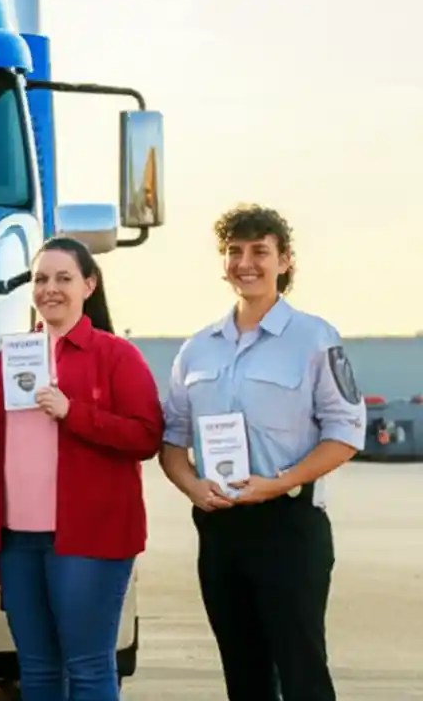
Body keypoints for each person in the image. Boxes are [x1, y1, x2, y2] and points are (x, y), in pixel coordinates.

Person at [158, 204, 365, 701]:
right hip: (221, 527)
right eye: (234, 252)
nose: (245, 263)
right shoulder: (197, 349)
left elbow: (346, 432)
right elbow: (172, 441)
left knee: (302, 671)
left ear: (285, 261)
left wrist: (277, 481)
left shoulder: (316, 338)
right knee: (243, 673)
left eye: (260, 251)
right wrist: (194, 488)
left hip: (288, 524)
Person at [0, 236, 163, 701]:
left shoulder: (115, 355)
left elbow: (146, 436)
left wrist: (74, 413)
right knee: (37, 671)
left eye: (64, 278)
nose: (50, 288)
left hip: (88, 539)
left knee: (89, 667)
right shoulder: (10, 360)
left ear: (89, 285)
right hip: (17, 541)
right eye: (40, 279)